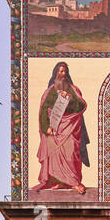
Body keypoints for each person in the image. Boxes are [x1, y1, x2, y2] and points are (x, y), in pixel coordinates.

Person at [36, 61, 89, 193]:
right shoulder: (49, 92)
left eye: (65, 71)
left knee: (71, 151)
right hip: (54, 129)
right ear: (56, 73)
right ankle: (59, 182)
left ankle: (74, 182)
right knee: (52, 150)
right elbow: (43, 111)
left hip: (70, 128)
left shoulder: (73, 90)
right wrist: (46, 128)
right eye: (60, 71)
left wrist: (69, 98)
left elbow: (81, 106)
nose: (63, 74)